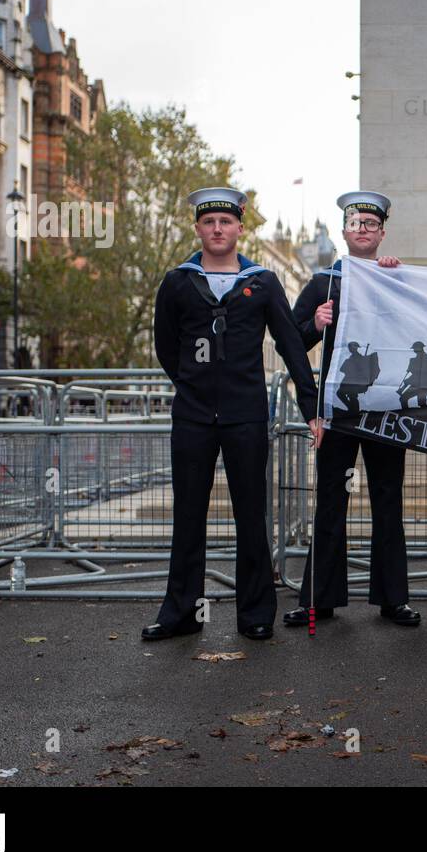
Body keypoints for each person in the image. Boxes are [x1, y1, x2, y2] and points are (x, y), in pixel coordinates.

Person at [144, 187, 323, 641]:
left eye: (226, 222)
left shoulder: (262, 282)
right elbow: (166, 347)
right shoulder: (177, 281)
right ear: (198, 228)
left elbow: (289, 344)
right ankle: (181, 612)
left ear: (240, 228)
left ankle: (255, 614)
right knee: (187, 515)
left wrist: (310, 405)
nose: (217, 229)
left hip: (245, 417)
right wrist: (192, 385)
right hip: (193, 417)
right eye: (209, 222)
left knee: (251, 515)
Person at [282, 191, 421, 628]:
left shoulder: (396, 279)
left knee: (387, 500)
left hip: (383, 409)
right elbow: (293, 342)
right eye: (355, 224)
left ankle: (393, 599)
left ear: (382, 232)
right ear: (344, 232)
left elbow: (415, 336)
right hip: (338, 411)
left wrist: (399, 283)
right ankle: (318, 600)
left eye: (370, 225)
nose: (362, 230)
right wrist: (315, 324)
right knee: (331, 501)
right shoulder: (323, 281)